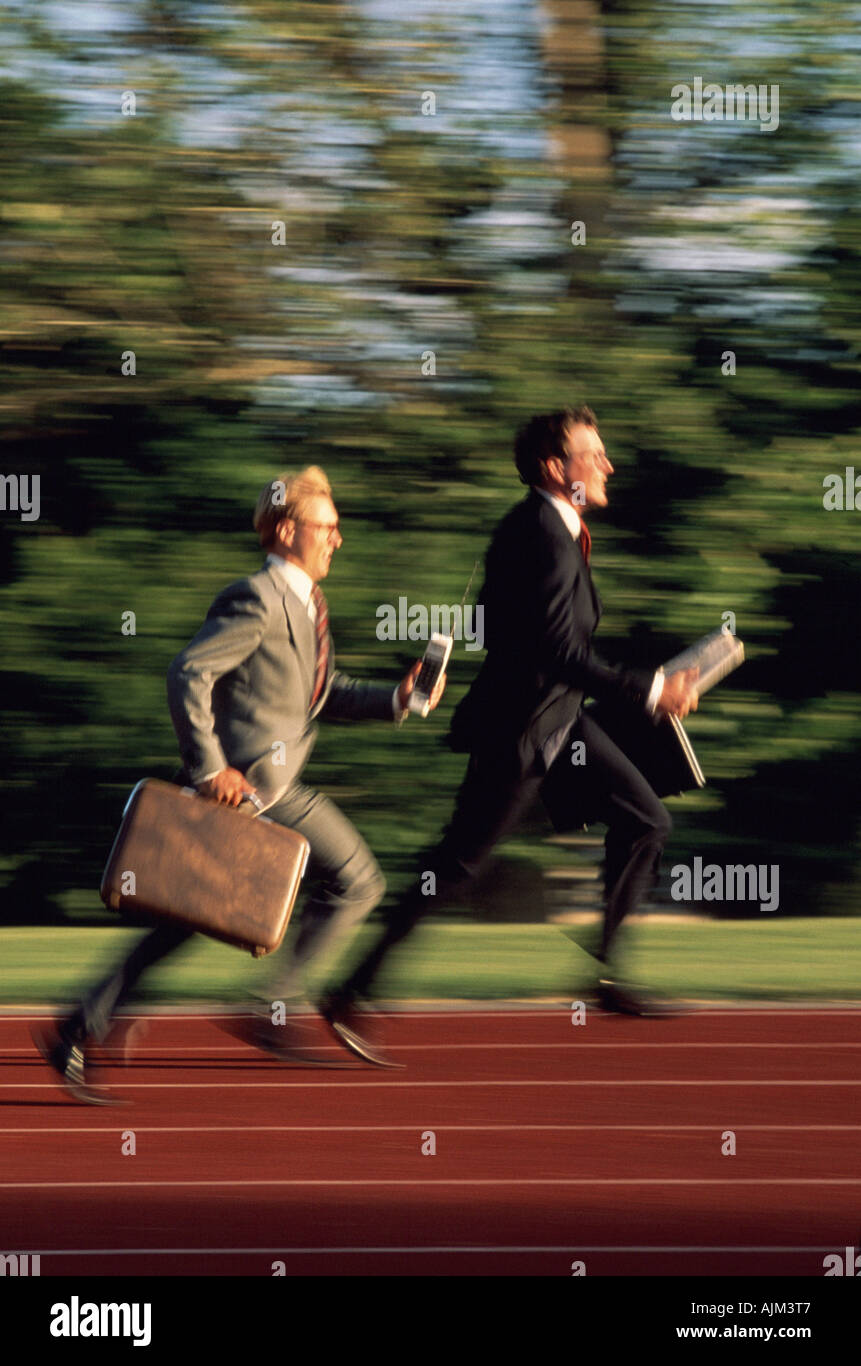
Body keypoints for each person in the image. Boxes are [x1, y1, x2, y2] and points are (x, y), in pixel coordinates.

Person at [34, 466, 444, 1102]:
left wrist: (396, 698)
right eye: (327, 528)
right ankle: (89, 1028)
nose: (338, 540)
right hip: (242, 793)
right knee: (193, 919)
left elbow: (316, 697)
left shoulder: (308, 603)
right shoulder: (254, 598)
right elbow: (186, 674)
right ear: (287, 530)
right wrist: (209, 768)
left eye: (339, 529)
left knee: (347, 882)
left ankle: (242, 1007)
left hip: (282, 789)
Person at [321, 407, 699, 1062]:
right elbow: (556, 651)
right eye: (595, 453)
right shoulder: (540, 535)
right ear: (557, 469)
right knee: (457, 866)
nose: (608, 465)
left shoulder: (550, 530)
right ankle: (350, 991)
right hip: (519, 733)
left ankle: (605, 974)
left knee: (646, 820)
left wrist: (633, 693)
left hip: (558, 724)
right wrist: (648, 690)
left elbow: (528, 638)